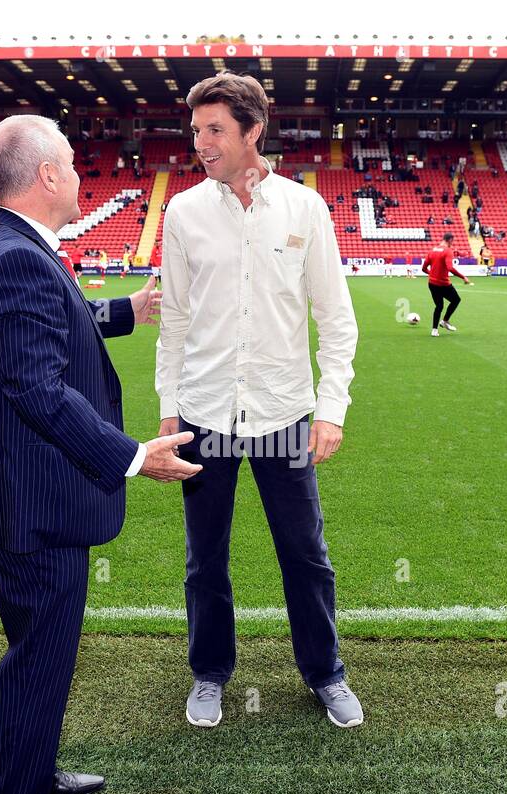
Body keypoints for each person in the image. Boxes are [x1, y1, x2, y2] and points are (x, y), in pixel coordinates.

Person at [0, 114, 200, 794]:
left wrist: (127, 310)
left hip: (25, 501)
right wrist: (130, 457)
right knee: (38, 664)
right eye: (70, 161)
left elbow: (52, 330)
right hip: (35, 509)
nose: (80, 174)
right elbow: (36, 386)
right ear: (47, 177)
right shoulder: (17, 259)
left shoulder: (12, 247)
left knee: (43, 661)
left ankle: (32, 772)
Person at [157, 72, 363, 730]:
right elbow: (176, 323)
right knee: (204, 556)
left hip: (281, 416)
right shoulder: (183, 213)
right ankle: (210, 673)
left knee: (305, 553)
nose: (202, 143)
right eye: (196, 131)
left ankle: (325, 672)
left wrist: (331, 408)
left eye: (215, 130)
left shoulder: (306, 211)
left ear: (253, 132)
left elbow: (336, 319)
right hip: (205, 414)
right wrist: (169, 405)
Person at [421, 232, 469, 337]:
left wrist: (432, 274)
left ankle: (434, 330)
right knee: (456, 300)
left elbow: (423, 268)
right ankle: (445, 321)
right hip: (443, 284)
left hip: (432, 283)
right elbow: (450, 268)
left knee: (439, 306)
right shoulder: (447, 251)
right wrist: (463, 277)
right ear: (450, 240)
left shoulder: (432, 250)